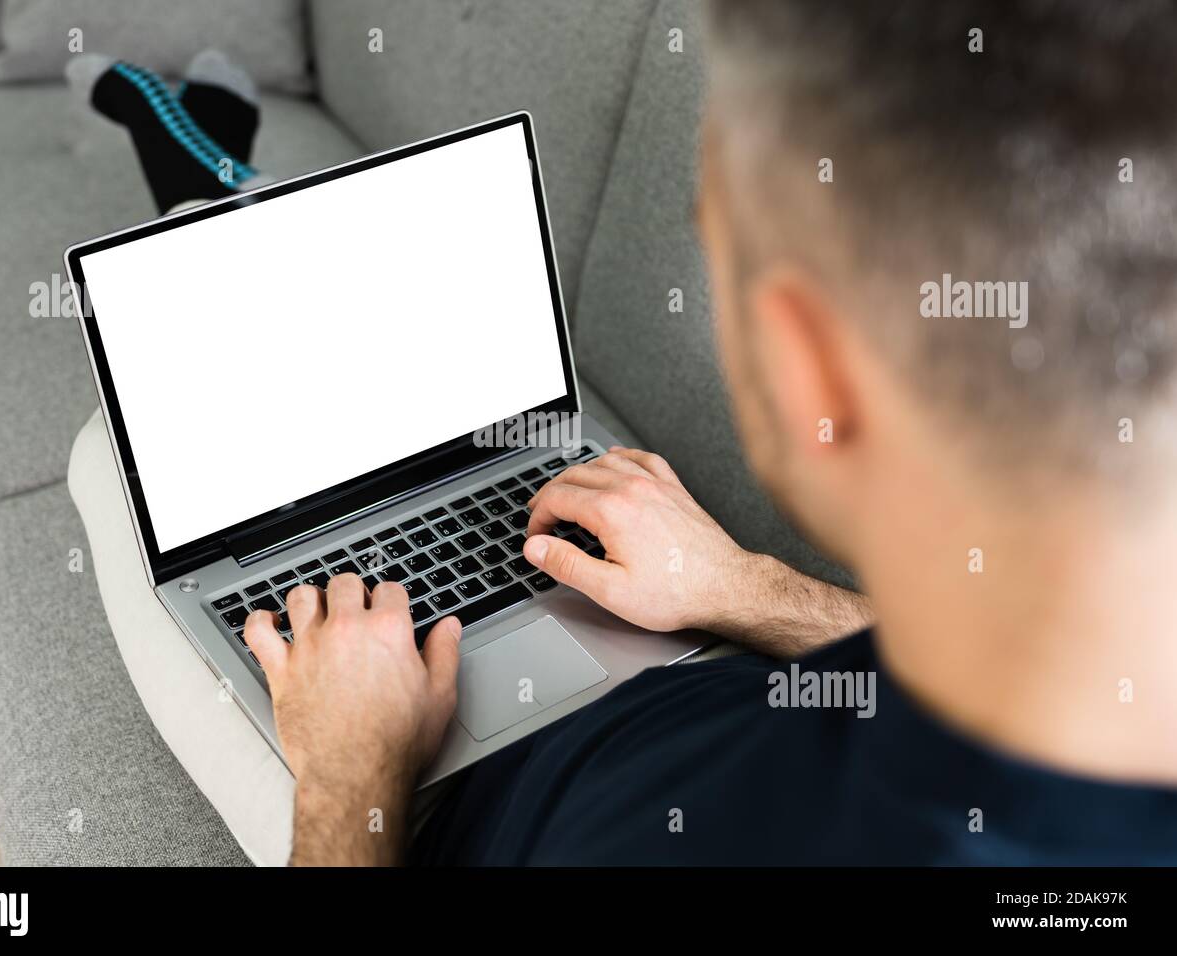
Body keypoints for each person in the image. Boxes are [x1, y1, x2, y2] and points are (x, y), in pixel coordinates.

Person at [73, 0, 1177, 866]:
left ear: (806, 365)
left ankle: (199, 172)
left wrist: (350, 771)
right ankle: (213, 167)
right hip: (672, 645)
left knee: (116, 449)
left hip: (421, 787)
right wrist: (743, 587)